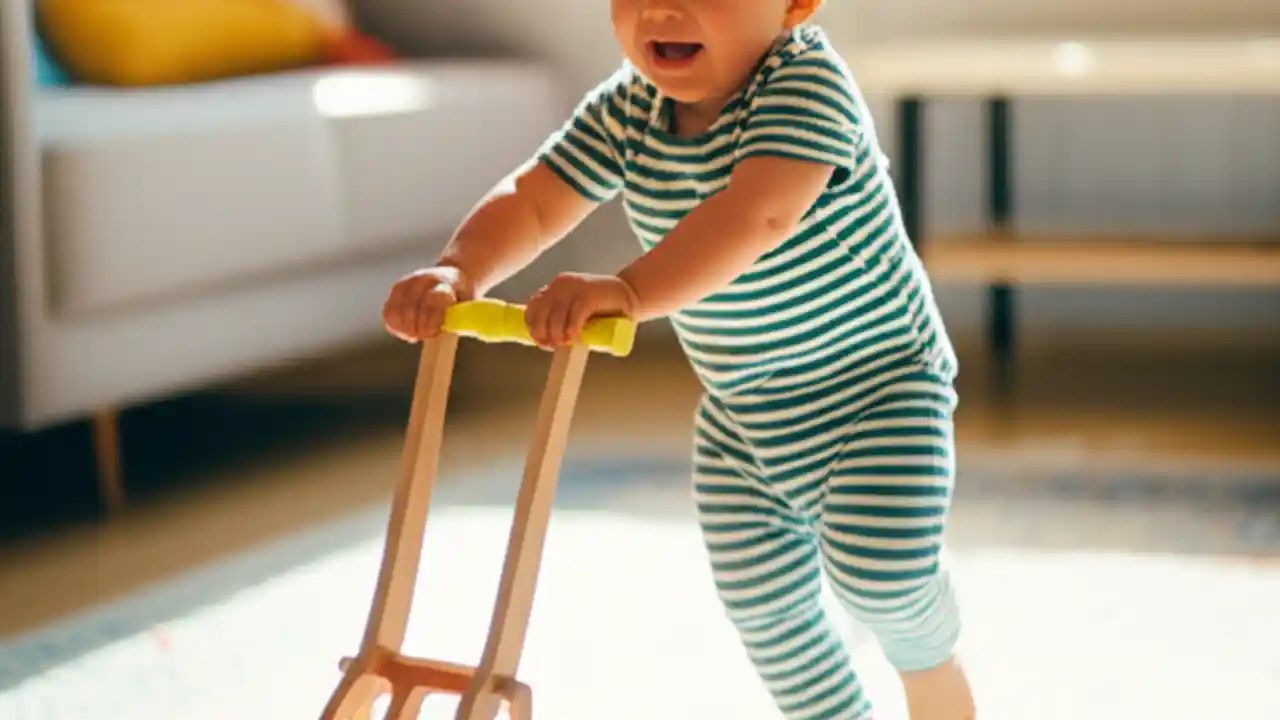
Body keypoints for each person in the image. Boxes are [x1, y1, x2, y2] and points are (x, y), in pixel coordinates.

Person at [382, 1, 975, 717]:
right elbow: (535, 199)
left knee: (880, 570)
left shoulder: (805, 83)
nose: (664, 8)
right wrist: (461, 271)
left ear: (795, 3)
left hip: (878, 385)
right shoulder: (630, 110)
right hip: (742, 416)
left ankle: (926, 648)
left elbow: (759, 214)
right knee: (764, 607)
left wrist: (629, 292)